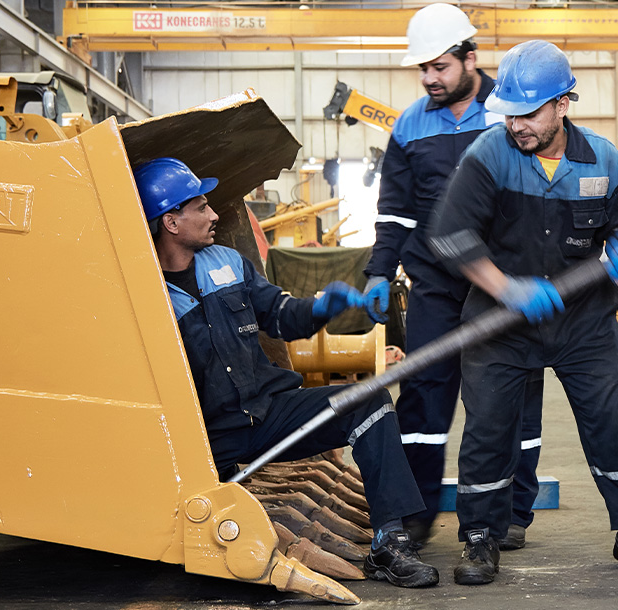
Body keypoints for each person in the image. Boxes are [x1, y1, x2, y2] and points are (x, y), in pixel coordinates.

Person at [427, 40, 618, 586]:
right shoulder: (489, 155)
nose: (517, 126)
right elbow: (448, 233)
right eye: (510, 113)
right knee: (490, 431)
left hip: (583, 322)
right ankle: (480, 537)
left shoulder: (604, 160)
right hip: (500, 321)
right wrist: (505, 287)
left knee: (611, 423)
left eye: (529, 113)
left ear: (563, 104)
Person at [134, 157, 439, 588]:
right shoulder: (143, 290)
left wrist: (318, 308)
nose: (215, 214)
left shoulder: (226, 262)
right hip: (204, 436)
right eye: (201, 207)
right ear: (171, 221)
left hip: (267, 413)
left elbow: (279, 316)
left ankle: (390, 542)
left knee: (367, 401)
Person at [363, 2, 545, 551]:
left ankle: (512, 510)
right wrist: (378, 268)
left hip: (500, 282)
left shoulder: (512, 113)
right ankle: (416, 511)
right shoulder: (411, 126)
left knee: (512, 394)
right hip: (436, 286)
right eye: (422, 69)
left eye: (439, 67)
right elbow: (394, 210)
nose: (429, 79)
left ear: (470, 57)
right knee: (423, 395)